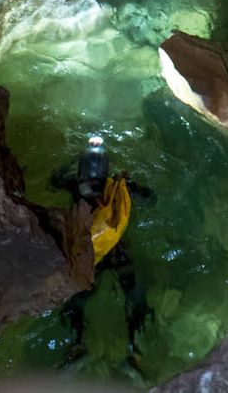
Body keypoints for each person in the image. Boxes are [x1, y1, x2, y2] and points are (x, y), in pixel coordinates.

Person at [50, 132, 153, 369]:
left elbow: (53, 181)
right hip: (119, 254)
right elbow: (151, 199)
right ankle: (134, 350)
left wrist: (74, 159)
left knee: (76, 298)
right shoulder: (118, 187)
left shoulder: (76, 185)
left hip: (89, 256)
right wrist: (129, 183)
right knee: (134, 296)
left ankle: (78, 345)